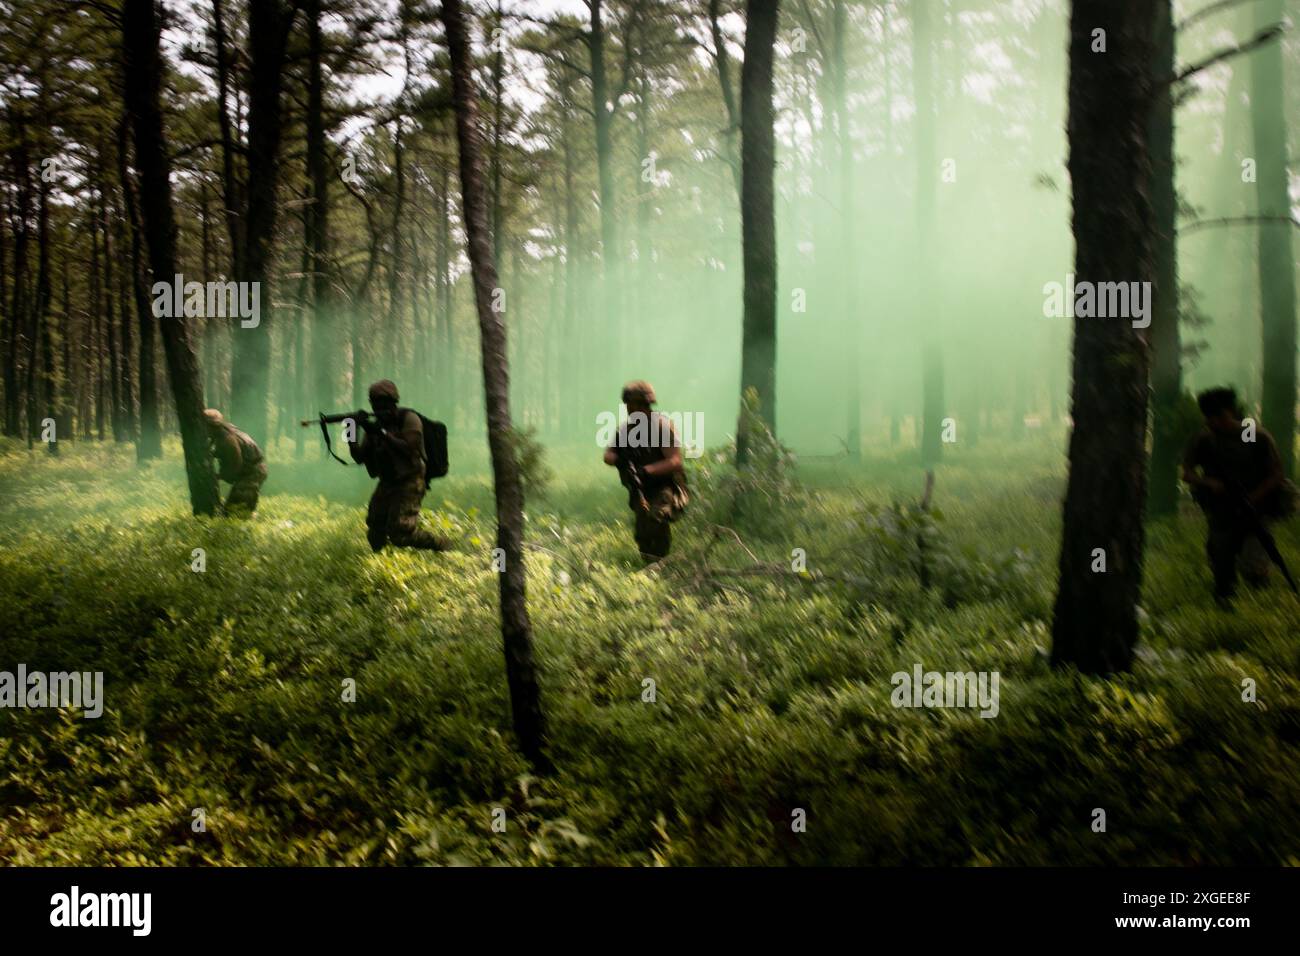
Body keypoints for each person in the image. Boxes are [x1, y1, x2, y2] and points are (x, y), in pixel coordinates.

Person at [1181, 387, 1294, 602]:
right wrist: (1209, 482)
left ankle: (1260, 610)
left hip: (1255, 511)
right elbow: (1187, 473)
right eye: (1212, 417)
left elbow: (1276, 473)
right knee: (1221, 566)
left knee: (1255, 567)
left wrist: (1253, 497)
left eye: (1220, 416)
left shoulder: (1250, 433)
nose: (1216, 422)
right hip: (1222, 512)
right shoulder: (1205, 440)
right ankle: (1226, 608)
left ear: (1229, 412)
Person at [348, 379, 450, 553]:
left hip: (411, 480)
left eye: (383, 404)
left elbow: (411, 448)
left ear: (393, 402)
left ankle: (440, 543)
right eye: (375, 404)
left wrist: (381, 432)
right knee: (375, 531)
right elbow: (359, 457)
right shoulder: (376, 426)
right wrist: (351, 431)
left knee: (400, 535)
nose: (379, 409)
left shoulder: (409, 419)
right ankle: (384, 563)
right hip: (388, 482)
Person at [603, 380, 689, 563]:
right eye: (628, 406)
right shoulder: (626, 430)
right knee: (643, 531)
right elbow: (608, 455)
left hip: (666, 485)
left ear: (642, 404)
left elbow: (675, 461)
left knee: (656, 517)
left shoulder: (662, 426)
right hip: (641, 488)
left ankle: (661, 564)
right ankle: (649, 567)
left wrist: (646, 471)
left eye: (632, 405)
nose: (629, 409)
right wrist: (620, 460)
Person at [204, 408, 267, 518]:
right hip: (251, 472)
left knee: (236, 511)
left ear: (210, 426)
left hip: (251, 474)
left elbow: (235, 464)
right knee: (234, 510)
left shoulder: (227, 439)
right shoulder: (225, 431)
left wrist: (219, 476)